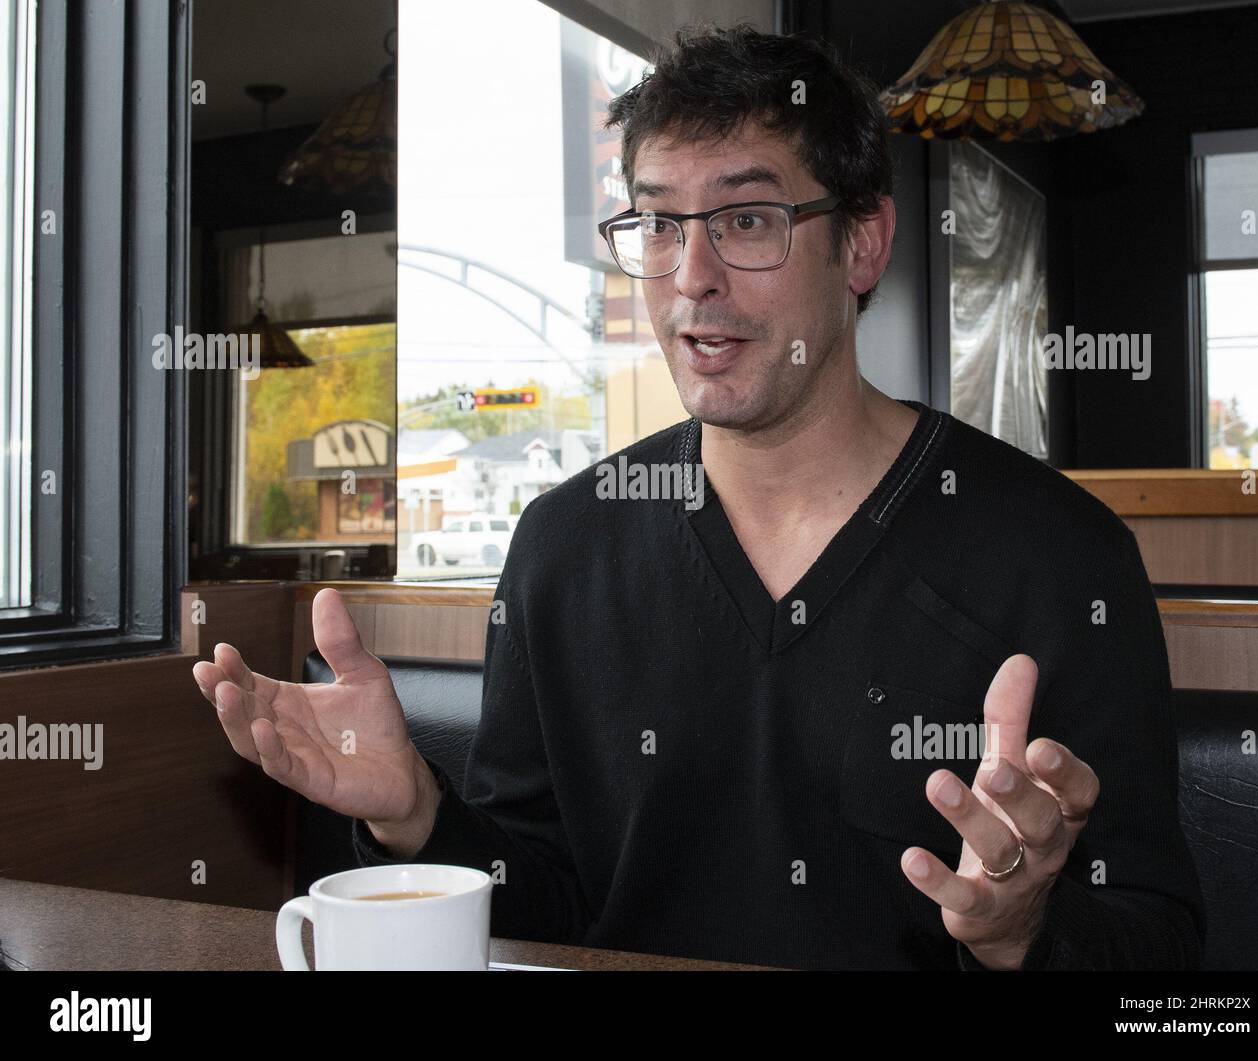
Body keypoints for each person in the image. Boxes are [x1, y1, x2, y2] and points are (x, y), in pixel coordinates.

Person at [193, 24, 1204, 970]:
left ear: (860, 242)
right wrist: (416, 809)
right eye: (659, 224)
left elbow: (1162, 950)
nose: (691, 278)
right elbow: (551, 906)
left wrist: (1025, 923)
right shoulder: (562, 545)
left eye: (748, 220)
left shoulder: (1060, 550)